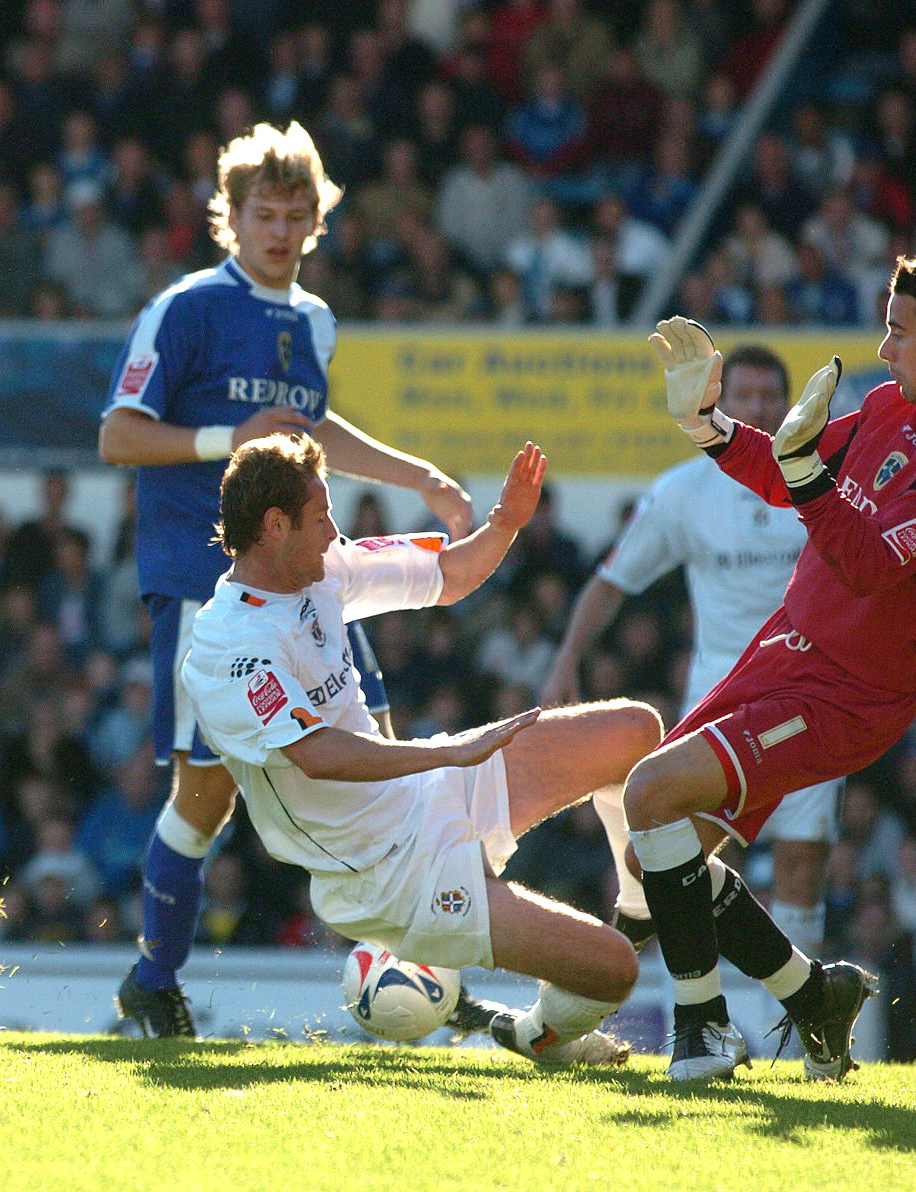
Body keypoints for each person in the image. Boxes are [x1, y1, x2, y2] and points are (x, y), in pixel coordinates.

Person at [97, 120, 475, 1037]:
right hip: (205, 585)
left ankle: (418, 973)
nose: (279, 229)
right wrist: (227, 438)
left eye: (296, 214)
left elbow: (312, 429)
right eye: (262, 213)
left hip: (311, 585)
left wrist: (415, 475)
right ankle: (154, 978)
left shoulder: (313, 320)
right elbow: (117, 436)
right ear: (229, 218)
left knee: (378, 763)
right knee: (207, 793)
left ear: (317, 223)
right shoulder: (186, 308)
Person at [181, 434, 661, 1065]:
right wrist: (447, 757)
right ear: (274, 526)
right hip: (385, 873)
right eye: (321, 517)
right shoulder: (230, 648)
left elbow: (451, 575)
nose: (334, 531)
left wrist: (504, 522)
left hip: (422, 790)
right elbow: (318, 754)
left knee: (636, 732)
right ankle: (536, 1032)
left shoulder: (323, 566)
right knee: (615, 971)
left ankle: (639, 907)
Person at [625, 254, 916, 1083]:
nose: (883, 350)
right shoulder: (889, 406)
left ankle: (701, 1028)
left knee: (647, 793)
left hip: (849, 693)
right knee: (656, 855)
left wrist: (808, 470)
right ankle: (813, 995)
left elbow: (867, 563)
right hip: (784, 649)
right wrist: (709, 428)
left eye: (899, 330)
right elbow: (790, 470)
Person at [539, 343, 842, 964]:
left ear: (789, 403)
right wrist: (565, 660)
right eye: (744, 396)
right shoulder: (683, 492)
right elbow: (612, 580)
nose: (758, 408)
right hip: (722, 695)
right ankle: (699, 1003)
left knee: (802, 856)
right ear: (721, 403)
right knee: (675, 855)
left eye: (769, 397)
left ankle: (793, 1018)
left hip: (813, 695)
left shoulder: (824, 479)